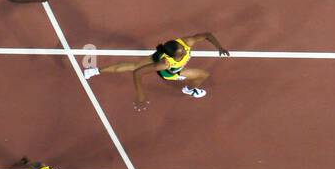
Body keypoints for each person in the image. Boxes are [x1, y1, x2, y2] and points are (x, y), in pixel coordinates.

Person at [85, 33, 230, 109]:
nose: (184, 53)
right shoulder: (166, 64)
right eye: (181, 53)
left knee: (133, 65)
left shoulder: (186, 42)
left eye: (183, 50)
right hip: (170, 73)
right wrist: (141, 95)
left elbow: (207, 35)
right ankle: (189, 89)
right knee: (203, 75)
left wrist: (220, 47)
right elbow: (138, 73)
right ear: (173, 55)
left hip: (156, 58)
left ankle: (93, 71)